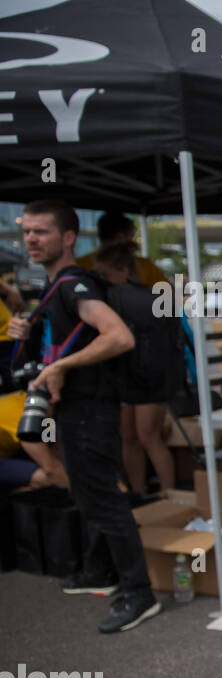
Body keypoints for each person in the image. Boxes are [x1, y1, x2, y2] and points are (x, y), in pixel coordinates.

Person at [8, 200, 161, 632]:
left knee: (105, 500)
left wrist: (61, 367)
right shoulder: (58, 288)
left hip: (89, 410)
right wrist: (28, 331)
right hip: (75, 409)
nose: (32, 240)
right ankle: (99, 572)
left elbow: (119, 336)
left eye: (42, 232)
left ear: (69, 237)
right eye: (27, 232)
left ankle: (139, 593)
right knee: (91, 493)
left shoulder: (76, 286)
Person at [93, 243, 178, 500]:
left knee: (145, 437)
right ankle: (145, 492)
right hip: (138, 377)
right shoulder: (146, 296)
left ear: (123, 269)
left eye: (104, 274)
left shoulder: (116, 298)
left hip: (140, 377)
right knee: (133, 437)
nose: (101, 280)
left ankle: (166, 493)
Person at [76, 212, 167, 287]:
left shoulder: (80, 265)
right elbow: (169, 296)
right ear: (120, 237)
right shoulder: (143, 265)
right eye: (131, 236)